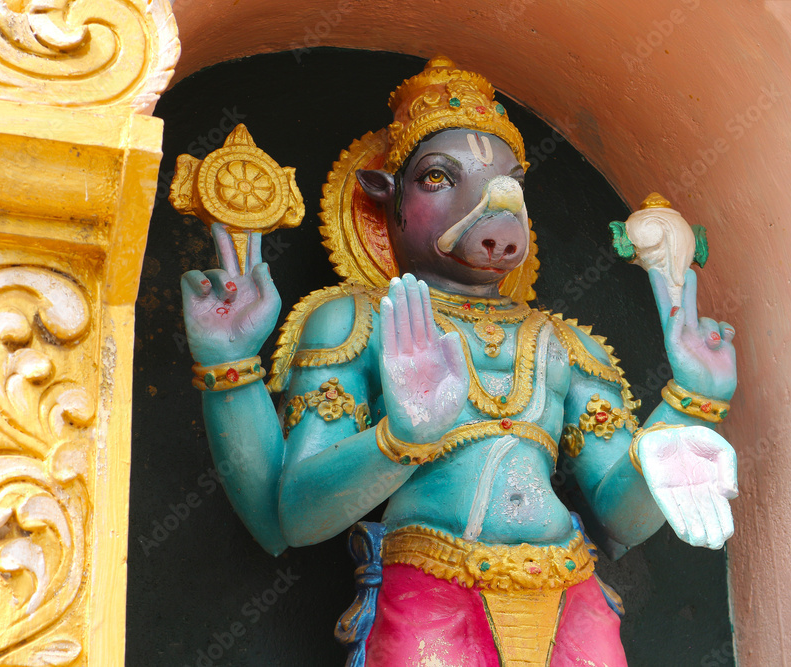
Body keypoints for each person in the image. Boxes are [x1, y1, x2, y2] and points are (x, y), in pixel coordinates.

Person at [181, 56, 739, 667]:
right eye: (441, 179)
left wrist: (685, 410)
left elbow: (622, 518)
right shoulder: (357, 323)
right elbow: (291, 515)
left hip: (571, 589)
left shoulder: (560, 341)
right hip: (431, 592)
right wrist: (402, 439)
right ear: (383, 201)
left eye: (511, 187)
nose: (494, 209)